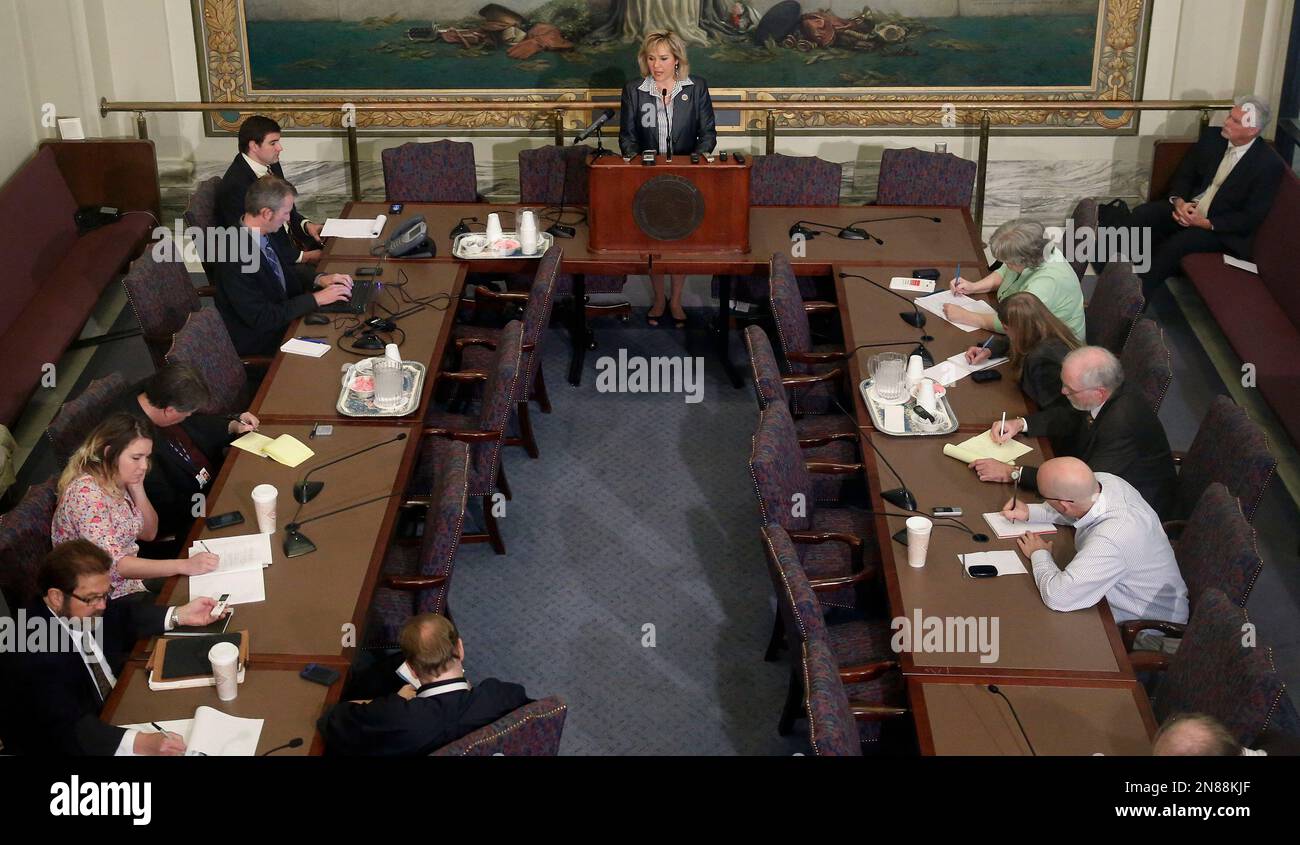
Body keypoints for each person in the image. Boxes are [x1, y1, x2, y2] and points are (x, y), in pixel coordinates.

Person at [0, 540, 224, 755]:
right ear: (56, 597)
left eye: (105, 594)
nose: (103, 605)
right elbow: (68, 726)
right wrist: (141, 743)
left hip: (118, 703)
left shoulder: (80, 606)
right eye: (93, 599)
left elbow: (122, 616)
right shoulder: (30, 653)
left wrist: (179, 614)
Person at [974, 346, 1177, 520]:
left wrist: (1014, 473)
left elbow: (1084, 487)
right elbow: (1071, 416)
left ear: (1099, 392)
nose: (1063, 392)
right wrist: (1021, 424)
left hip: (1135, 512)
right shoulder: (1109, 390)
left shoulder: (1122, 423)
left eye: (1070, 389)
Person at [1123, 96, 1284, 298]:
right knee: (1142, 214)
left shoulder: (1268, 165)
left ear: (1252, 130)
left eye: (1235, 121)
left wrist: (1204, 222)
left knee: (1174, 247)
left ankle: (1134, 302)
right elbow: (1185, 176)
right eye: (1229, 116)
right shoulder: (1212, 138)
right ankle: (1112, 274)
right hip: (1191, 209)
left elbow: (1249, 218)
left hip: (1219, 230)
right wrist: (1179, 202)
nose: (1226, 122)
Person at [1000, 457, 1188, 625]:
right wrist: (1031, 512)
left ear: (1064, 504)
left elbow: (1058, 596)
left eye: (1044, 497)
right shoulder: (1106, 481)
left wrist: (1039, 554)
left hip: (1147, 629)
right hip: (1121, 596)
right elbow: (1079, 510)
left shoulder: (1113, 537)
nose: (1043, 500)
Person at [51, 413, 220, 600]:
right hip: (105, 592)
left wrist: (137, 487)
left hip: (131, 574)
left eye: (147, 457)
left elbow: (148, 533)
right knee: (200, 592)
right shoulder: (85, 495)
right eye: (136, 458)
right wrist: (183, 565)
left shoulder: (115, 478)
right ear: (109, 454)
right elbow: (116, 565)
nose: (144, 466)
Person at [319, 613, 531, 756]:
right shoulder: (505, 695)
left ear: (411, 668)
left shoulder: (395, 717)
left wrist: (393, 700)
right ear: (460, 648)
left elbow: (331, 720)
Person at [618, 30, 716, 327]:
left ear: (676, 60)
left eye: (663, 58)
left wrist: (694, 163)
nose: (656, 65)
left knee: (679, 241)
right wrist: (639, 164)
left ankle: (676, 300)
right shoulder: (635, 89)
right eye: (651, 58)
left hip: (685, 178)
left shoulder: (695, 87)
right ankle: (659, 298)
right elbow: (628, 137)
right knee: (655, 241)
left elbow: (707, 133)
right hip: (648, 177)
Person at [105, 363, 258, 541]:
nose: (189, 416)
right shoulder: (134, 445)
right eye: (187, 413)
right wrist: (212, 504)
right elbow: (168, 508)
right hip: (189, 515)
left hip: (213, 485)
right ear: (170, 411)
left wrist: (233, 424)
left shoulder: (158, 395)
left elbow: (196, 426)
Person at [212, 175, 353, 356]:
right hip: (264, 341)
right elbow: (262, 318)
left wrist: (320, 279)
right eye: (285, 213)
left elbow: (284, 271)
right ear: (266, 213)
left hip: (285, 319)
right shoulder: (235, 257)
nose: (288, 219)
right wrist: (317, 299)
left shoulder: (261, 231)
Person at [216, 114, 323, 282]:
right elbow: (254, 241)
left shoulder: (271, 165)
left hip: (293, 244)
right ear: (254, 146)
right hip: (272, 265)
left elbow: (288, 210)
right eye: (273, 143)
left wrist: (306, 225)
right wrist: (304, 257)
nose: (280, 148)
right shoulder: (236, 186)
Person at [944, 218, 1085, 343]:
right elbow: (1006, 270)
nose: (1007, 265)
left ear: (1026, 259)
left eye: (1009, 262)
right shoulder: (1036, 253)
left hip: (1054, 347)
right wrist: (974, 287)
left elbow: (1014, 323)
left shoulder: (1046, 284)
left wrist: (966, 316)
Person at [964, 292, 1080, 410]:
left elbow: (1057, 409)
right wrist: (989, 350)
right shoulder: (1047, 328)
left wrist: (1021, 422)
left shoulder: (1043, 359)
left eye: (1006, 328)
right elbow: (1010, 341)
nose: (1007, 334)